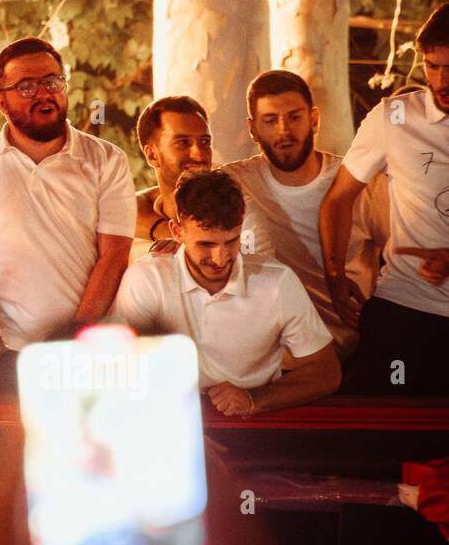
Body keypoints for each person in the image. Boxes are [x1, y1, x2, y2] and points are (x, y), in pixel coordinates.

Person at [0, 36, 136, 390]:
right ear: (1, 102)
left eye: (52, 81)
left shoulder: (106, 159)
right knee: (13, 445)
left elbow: (114, 256)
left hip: (89, 349)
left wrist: (74, 337)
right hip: (7, 352)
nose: (44, 93)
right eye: (25, 86)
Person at [113, 170, 341, 415]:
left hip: (256, 426)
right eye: (206, 244)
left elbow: (326, 371)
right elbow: (120, 373)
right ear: (177, 232)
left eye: (231, 241)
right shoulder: (147, 279)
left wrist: (253, 399)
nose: (220, 259)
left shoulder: (277, 282)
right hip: (168, 418)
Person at [321, 3, 449, 394]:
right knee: (376, 429)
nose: (442, 80)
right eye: (432, 66)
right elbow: (338, 200)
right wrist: (336, 278)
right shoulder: (393, 117)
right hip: (404, 306)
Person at [222, 70, 384, 363]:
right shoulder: (235, 181)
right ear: (253, 129)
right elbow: (166, 199)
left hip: (357, 352)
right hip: (275, 360)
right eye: (270, 121)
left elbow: (401, 258)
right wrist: (161, 234)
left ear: (314, 119)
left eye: (294, 117)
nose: (284, 131)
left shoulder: (360, 182)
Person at [132, 96, 213, 260]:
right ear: (152, 155)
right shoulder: (134, 213)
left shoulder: (237, 202)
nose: (199, 155)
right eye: (183, 143)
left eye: (204, 141)